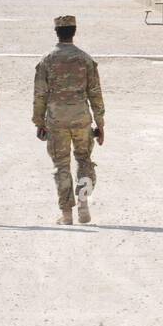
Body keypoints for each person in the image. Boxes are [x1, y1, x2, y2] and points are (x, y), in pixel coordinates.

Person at [33, 15, 105, 225]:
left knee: (61, 165)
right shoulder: (85, 59)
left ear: (57, 32)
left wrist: (39, 122)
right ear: (74, 32)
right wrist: (100, 123)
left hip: (56, 120)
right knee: (84, 160)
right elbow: (95, 93)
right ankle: (83, 203)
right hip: (81, 118)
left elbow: (39, 94)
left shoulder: (47, 60)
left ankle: (66, 214)